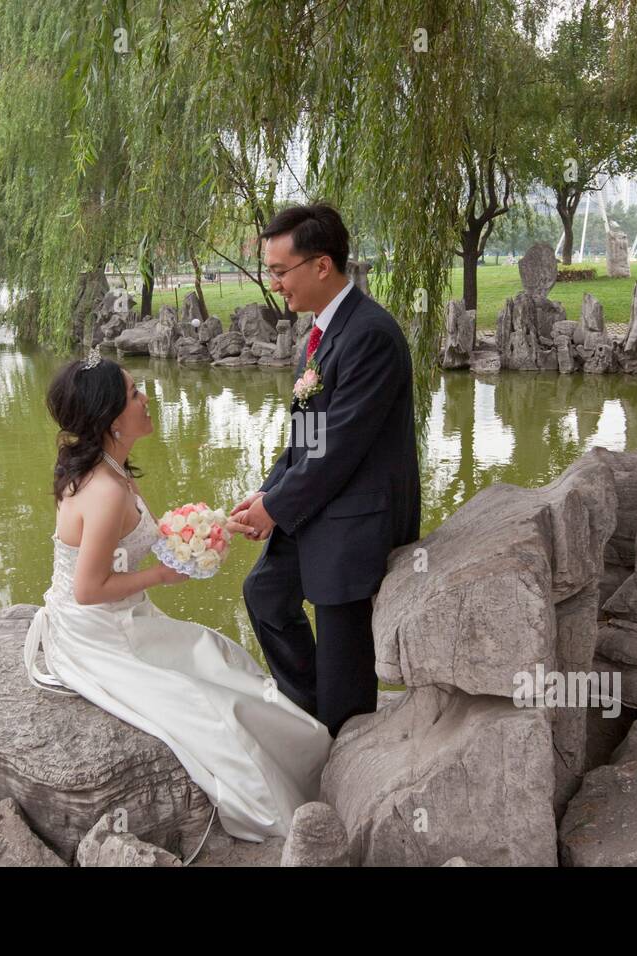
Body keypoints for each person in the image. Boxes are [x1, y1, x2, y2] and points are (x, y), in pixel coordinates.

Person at [23, 347, 332, 860]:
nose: (146, 397)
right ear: (110, 419)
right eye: (133, 393)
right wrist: (163, 574)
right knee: (209, 709)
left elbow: (135, 538)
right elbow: (88, 588)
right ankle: (283, 809)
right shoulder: (103, 491)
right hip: (99, 633)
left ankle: (308, 763)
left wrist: (211, 527)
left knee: (217, 652)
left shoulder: (109, 468)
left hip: (124, 618)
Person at [226, 203, 422, 738]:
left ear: (321, 265)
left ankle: (343, 746)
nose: (275, 285)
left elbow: (339, 447)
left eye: (279, 271)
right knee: (265, 592)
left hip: (355, 520)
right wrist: (265, 496)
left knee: (344, 669)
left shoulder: (370, 336)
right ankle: (311, 719)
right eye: (270, 271)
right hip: (314, 505)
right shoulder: (320, 335)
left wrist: (277, 507)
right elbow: (307, 438)